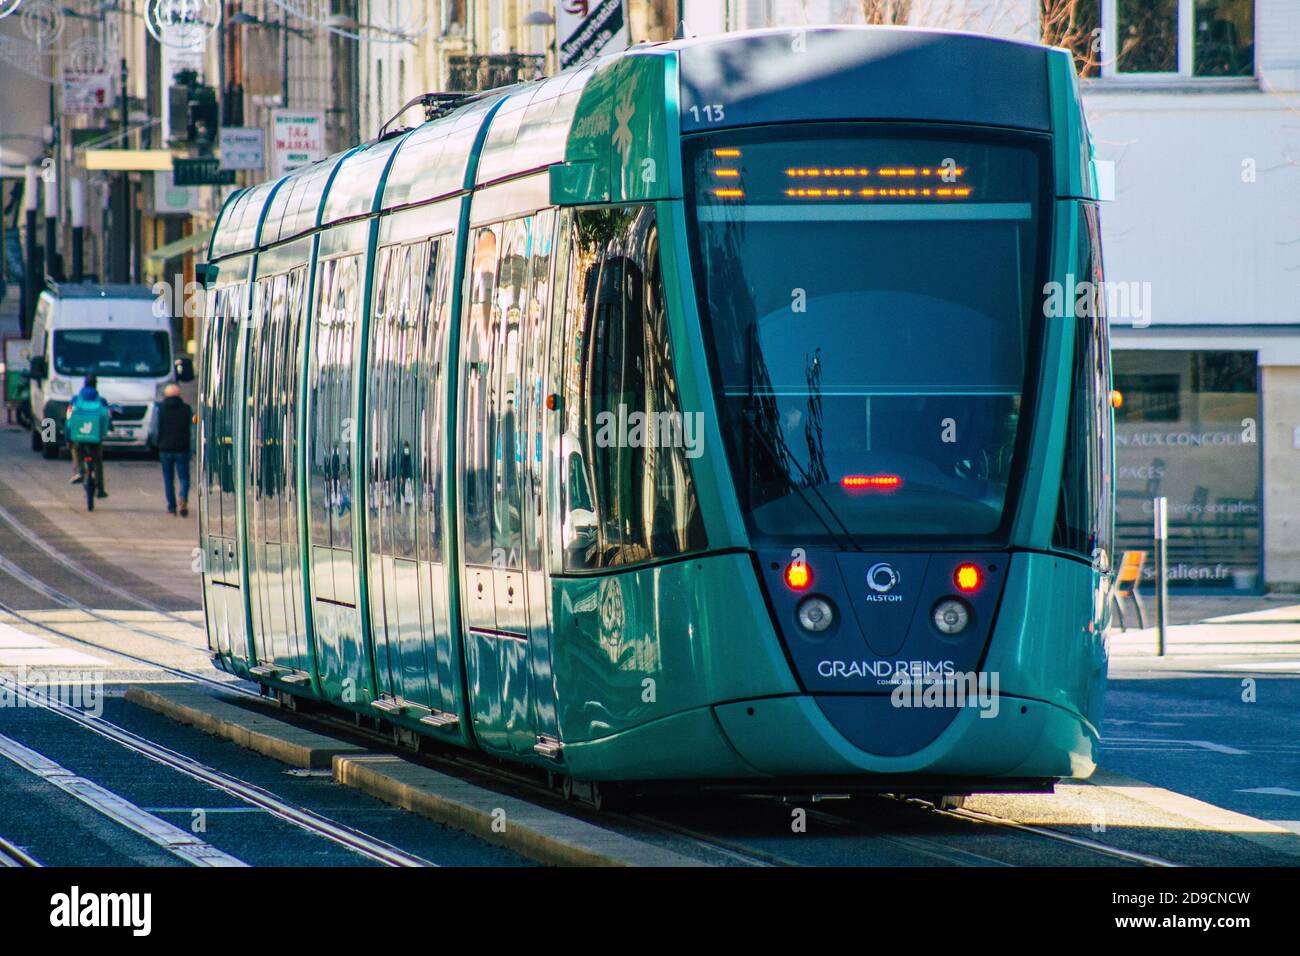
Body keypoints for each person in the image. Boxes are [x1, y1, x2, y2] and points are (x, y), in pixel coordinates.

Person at [150, 383, 194, 516]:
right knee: (184, 477)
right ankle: (183, 498)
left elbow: (155, 429)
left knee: (168, 479)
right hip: (182, 448)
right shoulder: (187, 409)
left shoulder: (160, 409)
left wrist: (156, 443)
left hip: (165, 449)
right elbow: (192, 430)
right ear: (179, 395)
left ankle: (171, 507)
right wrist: (192, 448)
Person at [67, 374, 112, 498]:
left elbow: (68, 419)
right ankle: (101, 489)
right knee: (97, 461)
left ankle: (79, 471)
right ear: (96, 385)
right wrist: (107, 430)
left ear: (84, 384)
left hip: (79, 437)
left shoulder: (74, 400)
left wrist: (68, 437)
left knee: (75, 449)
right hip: (95, 438)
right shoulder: (102, 401)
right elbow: (108, 418)